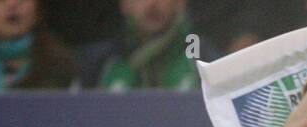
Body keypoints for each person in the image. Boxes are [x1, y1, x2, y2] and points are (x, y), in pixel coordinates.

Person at [81, 0, 220, 91]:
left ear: (180, 2)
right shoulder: (101, 62)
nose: (152, 4)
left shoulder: (202, 56)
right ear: (124, 4)